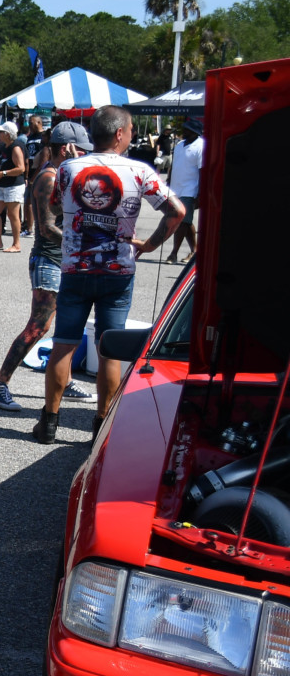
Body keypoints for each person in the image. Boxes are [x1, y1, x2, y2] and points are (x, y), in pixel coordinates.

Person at [32, 105, 185, 444]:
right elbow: (177, 210)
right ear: (119, 134)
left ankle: (49, 423)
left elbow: (56, 207)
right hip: (118, 272)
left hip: (74, 268)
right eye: (130, 131)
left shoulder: (69, 168)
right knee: (109, 349)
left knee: (63, 344)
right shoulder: (140, 170)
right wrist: (149, 244)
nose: (131, 136)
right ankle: (101, 426)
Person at [0, 121, 95, 410]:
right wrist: (83, 243)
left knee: (68, 328)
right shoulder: (49, 177)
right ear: (66, 149)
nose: (85, 156)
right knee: (38, 327)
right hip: (49, 260)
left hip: (65, 260)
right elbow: (46, 228)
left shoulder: (66, 175)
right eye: (82, 151)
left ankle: (65, 380)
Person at [0, 121, 28, 252]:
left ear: (8, 134)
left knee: (13, 215)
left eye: (1, 132)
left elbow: (21, 168)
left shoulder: (16, 147)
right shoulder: (4, 146)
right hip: (3, 184)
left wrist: (3, 173)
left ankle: (16, 244)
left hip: (14, 185)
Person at [166, 116, 204, 263]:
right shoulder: (180, 145)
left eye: (188, 130)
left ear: (195, 132)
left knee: (181, 221)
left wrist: (200, 193)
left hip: (190, 190)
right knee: (186, 221)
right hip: (176, 189)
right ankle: (195, 251)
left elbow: (202, 170)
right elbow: (173, 166)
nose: (184, 132)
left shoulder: (201, 146)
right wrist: (168, 181)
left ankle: (173, 253)